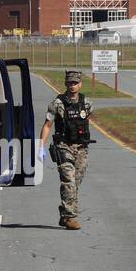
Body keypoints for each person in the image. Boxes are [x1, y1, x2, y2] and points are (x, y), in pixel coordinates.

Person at [37, 70, 93, 230]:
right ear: (65, 84)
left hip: (81, 148)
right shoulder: (57, 103)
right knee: (68, 181)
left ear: (80, 84)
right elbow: (48, 125)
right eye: (69, 83)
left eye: (75, 83)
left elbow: (87, 121)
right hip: (63, 146)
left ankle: (64, 212)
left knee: (76, 182)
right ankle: (70, 217)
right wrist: (41, 146)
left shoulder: (87, 103)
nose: (72, 85)